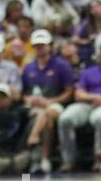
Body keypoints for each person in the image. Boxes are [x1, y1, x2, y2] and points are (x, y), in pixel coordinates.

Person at [57, 37, 101, 172]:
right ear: (100, 52)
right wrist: (95, 97)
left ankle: (100, 159)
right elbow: (79, 94)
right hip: (88, 103)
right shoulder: (89, 71)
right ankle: (68, 160)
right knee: (65, 118)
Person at [21, 29, 75, 173]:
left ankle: (36, 143)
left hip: (56, 104)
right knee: (44, 117)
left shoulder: (61, 65)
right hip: (33, 106)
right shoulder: (28, 68)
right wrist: (29, 99)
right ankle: (43, 158)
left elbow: (69, 92)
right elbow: (23, 93)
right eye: (37, 45)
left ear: (50, 46)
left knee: (47, 114)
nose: (40, 48)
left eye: (43, 45)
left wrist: (50, 101)